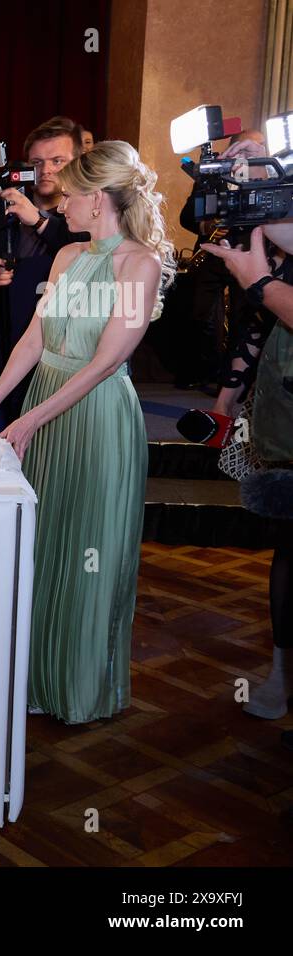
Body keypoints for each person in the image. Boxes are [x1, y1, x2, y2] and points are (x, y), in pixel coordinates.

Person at [0, 141, 173, 724]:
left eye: (71, 192)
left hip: (96, 417)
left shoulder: (139, 264)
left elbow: (104, 363)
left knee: (86, 549)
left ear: (98, 200)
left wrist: (29, 418)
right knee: (45, 542)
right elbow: (35, 338)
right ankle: (36, 677)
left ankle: (77, 686)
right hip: (45, 411)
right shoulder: (67, 258)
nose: (60, 199)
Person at [201, 223, 293, 723]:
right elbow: (257, 330)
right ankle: (282, 671)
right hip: (282, 421)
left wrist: (261, 283)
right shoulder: (273, 248)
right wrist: (224, 403)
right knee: (288, 547)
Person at [0, 117, 88, 427]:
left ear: (77, 163)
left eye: (58, 161)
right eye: (37, 162)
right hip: (3, 361)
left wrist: (39, 221)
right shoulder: (2, 212)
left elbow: (89, 256)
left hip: (63, 365)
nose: (46, 170)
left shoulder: (92, 215)